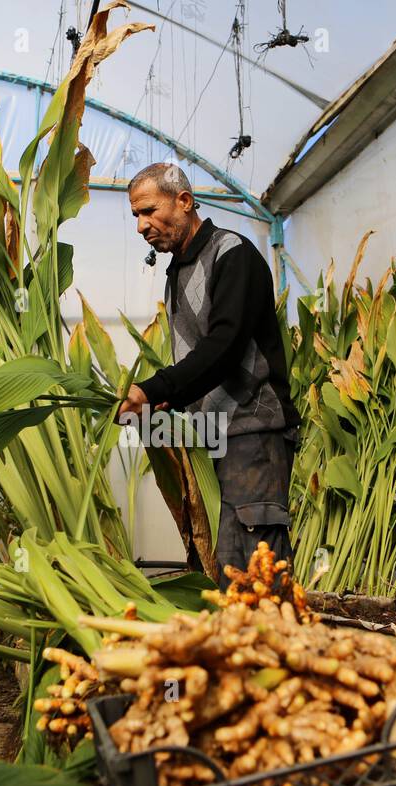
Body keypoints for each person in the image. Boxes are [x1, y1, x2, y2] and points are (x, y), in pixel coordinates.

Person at [117, 162, 301, 583]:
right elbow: (197, 362)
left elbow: (224, 347)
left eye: (148, 211)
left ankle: (271, 645)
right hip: (216, 435)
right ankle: (240, 646)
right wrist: (163, 404)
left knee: (257, 566)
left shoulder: (231, 254)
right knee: (228, 564)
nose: (141, 227)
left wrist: (150, 390)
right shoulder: (177, 271)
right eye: (135, 217)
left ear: (183, 201)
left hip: (253, 430)